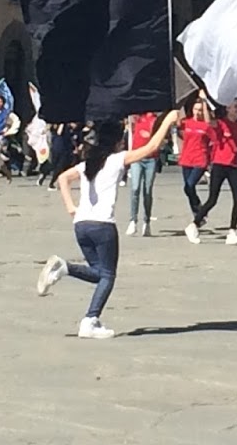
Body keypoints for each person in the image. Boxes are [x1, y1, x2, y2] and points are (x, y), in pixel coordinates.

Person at [36, 110, 181, 338]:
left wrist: (71, 207)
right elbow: (152, 147)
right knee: (108, 276)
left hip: (81, 224)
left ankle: (65, 268)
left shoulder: (88, 163)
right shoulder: (116, 159)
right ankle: (90, 320)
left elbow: (63, 178)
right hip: (102, 226)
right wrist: (169, 121)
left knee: (98, 273)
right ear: (117, 142)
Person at [193, 100, 237, 244]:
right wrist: (204, 102)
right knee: (212, 199)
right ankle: (194, 224)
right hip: (220, 164)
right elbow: (208, 121)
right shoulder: (221, 123)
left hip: (234, 165)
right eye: (235, 107)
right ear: (228, 108)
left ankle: (232, 232)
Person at [177, 97, 214, 240]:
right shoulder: (186, 123)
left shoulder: (206, 126)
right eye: (195, 109)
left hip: (200, 159)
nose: (198, 112)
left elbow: (214, 140)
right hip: (187, 158)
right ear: (192, 110)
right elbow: (176, 123)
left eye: (200, 110)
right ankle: (198, 212)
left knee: (191, 184)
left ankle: (199, 212)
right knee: (187, 188)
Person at [124, 111, 160, 237]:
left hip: (151, 158)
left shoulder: (155, 119)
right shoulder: (135, 117)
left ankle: (147, 221)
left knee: (147, 190)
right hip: (136, 156)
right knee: (135, 188)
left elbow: (160, 137)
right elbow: (130, 133)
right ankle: (133, 221)